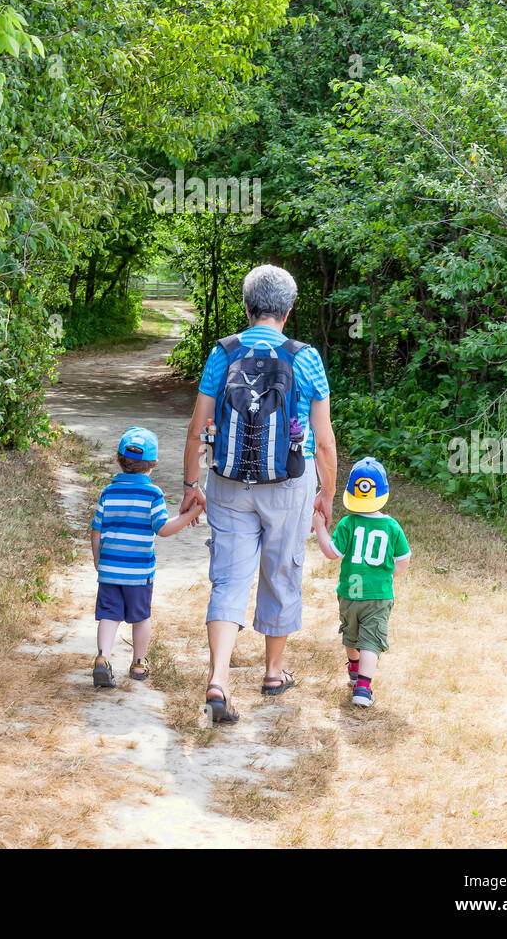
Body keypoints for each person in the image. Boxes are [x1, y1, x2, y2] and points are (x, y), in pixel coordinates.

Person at [181, 264, 338, 724]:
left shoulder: (223, 352)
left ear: (247, 308)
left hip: (228, 482)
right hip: (290, 484)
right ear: (288, 311)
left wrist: (192, 485)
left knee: (228, 579)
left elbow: (197, 430)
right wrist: (327, 493)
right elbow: (324, 441)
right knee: (281, 570)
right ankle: (273, 672)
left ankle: (219, 679)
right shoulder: (306, 357)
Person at [91, 425, 199, 688]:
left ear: (118, 459)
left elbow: (96, 529)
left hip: (110, 570)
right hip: (138, 573)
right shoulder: (152, 494)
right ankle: (139, 662)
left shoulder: (108, 492)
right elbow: (162, 529)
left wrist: (98, 560)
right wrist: (190, 516)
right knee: (140, 616)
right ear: (154, 463)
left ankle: (103, 658)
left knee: (109, 615)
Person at [313, 456, 410, 707]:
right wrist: (391, 575)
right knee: (371, 640)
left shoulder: (348, 523)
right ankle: (364, 688)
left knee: (351, 634)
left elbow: (333, 553)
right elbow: (403, 558)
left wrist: (320, 528)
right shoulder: (391, 526)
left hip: (350, 594)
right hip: (378, 595)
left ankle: (355, 672)